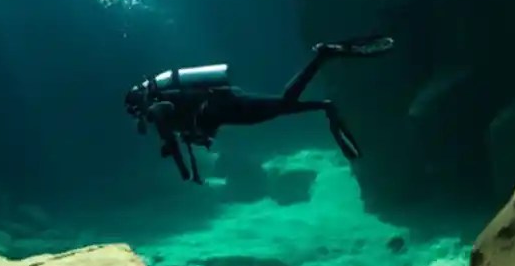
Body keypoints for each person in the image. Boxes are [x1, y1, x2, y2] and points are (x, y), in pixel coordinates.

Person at [124, 36, 394, 184]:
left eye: (136, 113)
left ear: (139, 103)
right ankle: (323, 102)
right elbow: (183, 131)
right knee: (281, 106)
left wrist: (183, 172)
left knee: (283, 104)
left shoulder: (157, 110)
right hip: (229, 106)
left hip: (230, 107)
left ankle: (322, 57)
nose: (140, 119)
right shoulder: (163, 104)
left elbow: (171, 138)